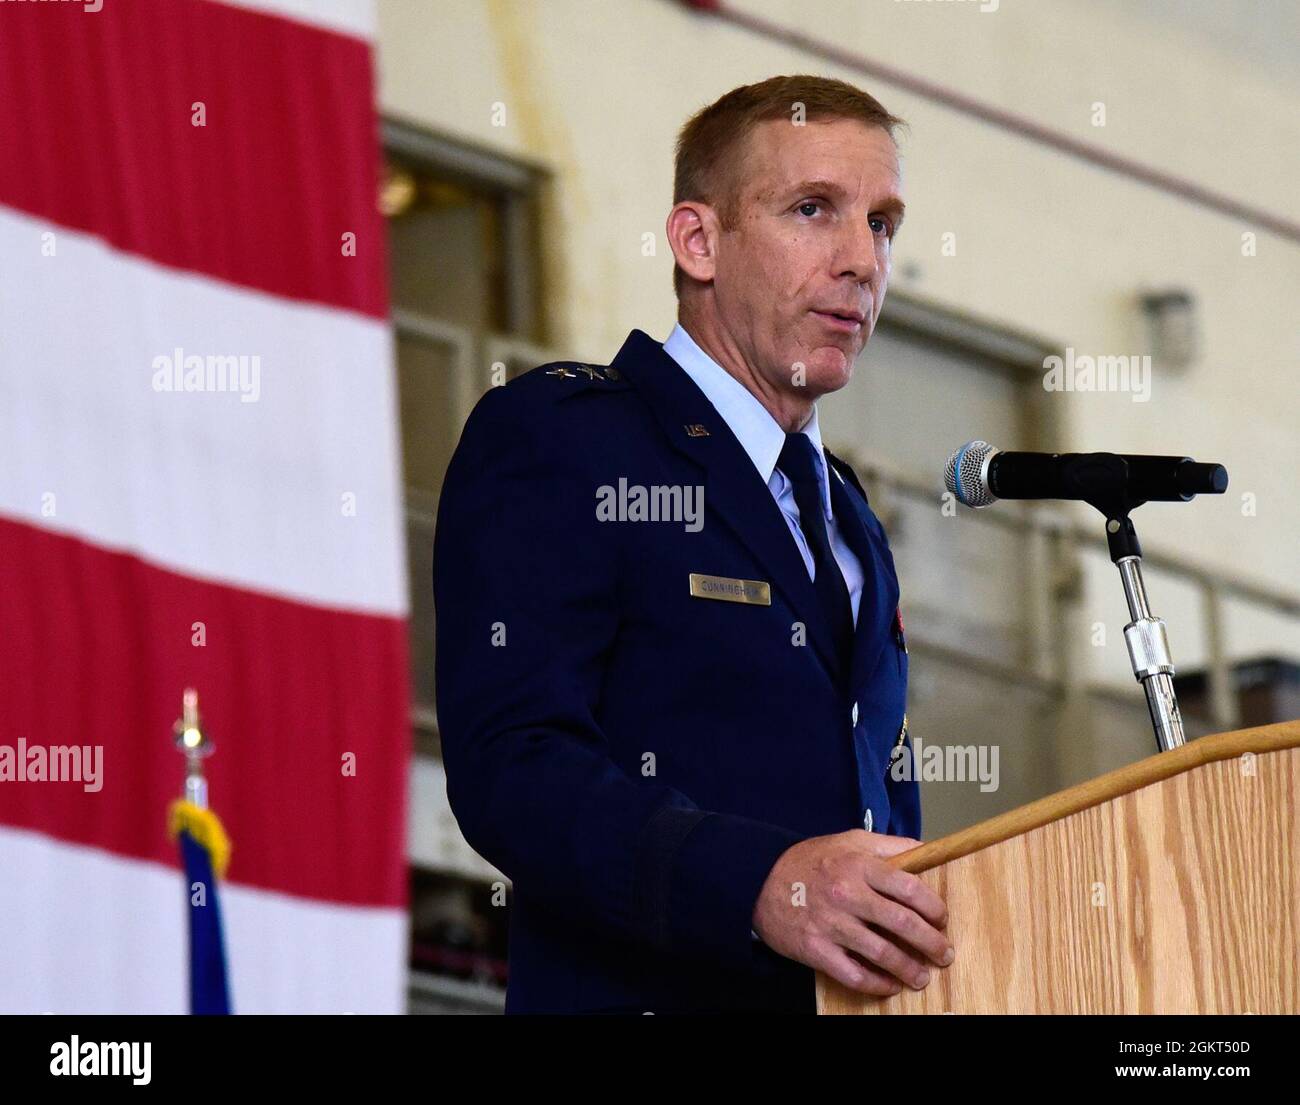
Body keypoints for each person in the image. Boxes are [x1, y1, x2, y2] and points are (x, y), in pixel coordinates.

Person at [433, 74, 953, 1014]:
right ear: (698, 241)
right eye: (812, 209)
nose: (862, 260)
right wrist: (762, 882)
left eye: (882, 223)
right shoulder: (567, 436)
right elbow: (512, 763)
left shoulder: (848, 518)